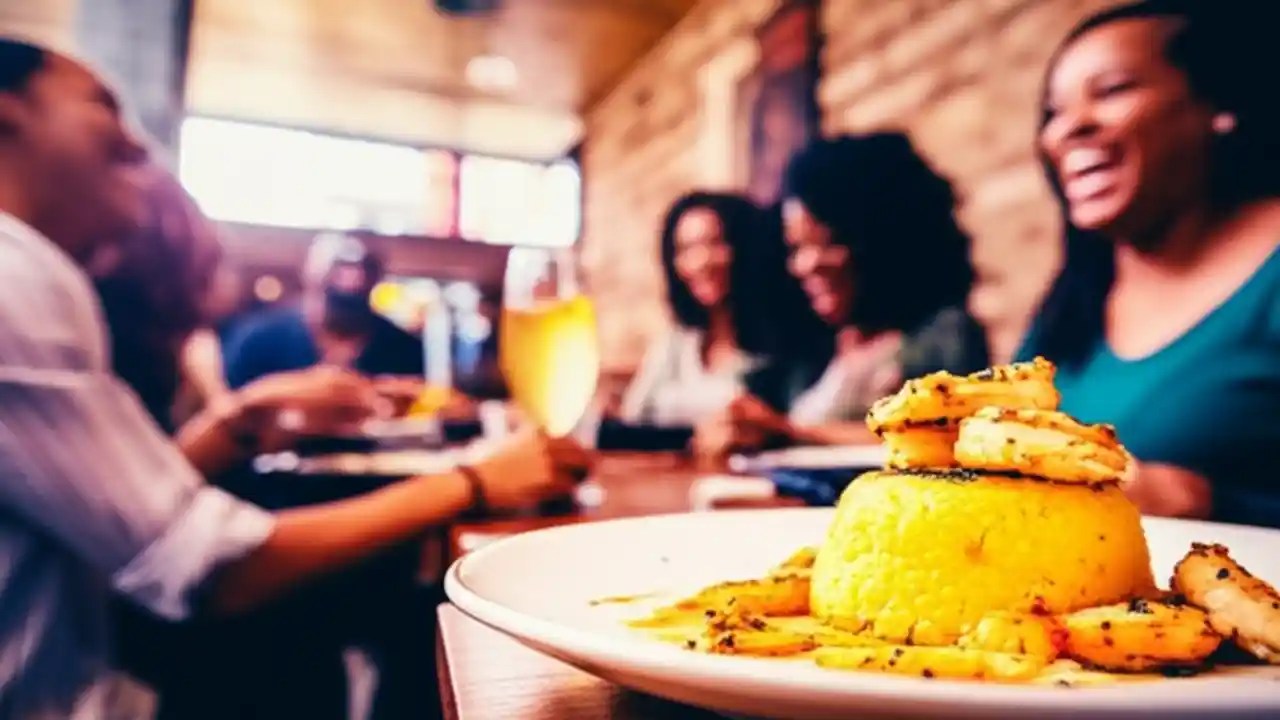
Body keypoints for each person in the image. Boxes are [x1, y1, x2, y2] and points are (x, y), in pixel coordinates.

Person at [0, 38, 588, 719]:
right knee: (406, 612)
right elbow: (204, 567)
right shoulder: (17, 276)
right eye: (103, 106)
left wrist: (244, 419)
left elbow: (121, 514)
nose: (137, 147)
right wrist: (477, 480)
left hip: (95, 658)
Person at [1018, 0, 1280, 526]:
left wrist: (1203, 502)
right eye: (1054, 112)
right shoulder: (1078, 293)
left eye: (1112, 90)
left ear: (1218, 106)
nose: (1068, 129)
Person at [696, 133, 989, 453]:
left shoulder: (940, 336)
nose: (806, 265)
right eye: (796, 248)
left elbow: (947, 440)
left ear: (883, 238)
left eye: (828, 242)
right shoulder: (817, 349)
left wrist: (789, 433)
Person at [619, 192, 784, 427]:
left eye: (714, 243)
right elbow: (632, 416)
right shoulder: (677, 341)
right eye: (686, 249)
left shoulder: (777, 348)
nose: (700, 261)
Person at [222, 231, 425, 389]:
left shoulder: (405, 350)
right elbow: (231, 420)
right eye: (341, 265)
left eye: (367, 267)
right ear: (311, 271)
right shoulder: (258, 340)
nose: (354, 280)